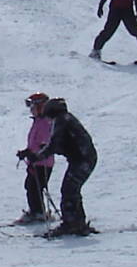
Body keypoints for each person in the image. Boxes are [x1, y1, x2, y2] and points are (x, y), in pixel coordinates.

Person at [41, 96, 97, 236]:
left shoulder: (61, 120)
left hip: (82, 160)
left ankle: (72, 223)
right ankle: (77, 222)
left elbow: (55, 144)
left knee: (69, 189)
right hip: (84, 158)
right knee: (71, 189)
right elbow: (65, 144)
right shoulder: (65, 119)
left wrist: (39, 155)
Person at [16, 93, 56, 224]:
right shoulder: (38, 122)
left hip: (42, 162)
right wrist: (27, 152)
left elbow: (45, 143)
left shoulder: (45, 123)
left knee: (35, 187)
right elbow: (35, 143)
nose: (31, 110)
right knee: (31, 186)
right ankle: (36, 210)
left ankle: (38, 212)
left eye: (33, 107)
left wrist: (34, 154)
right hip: (35, 162)